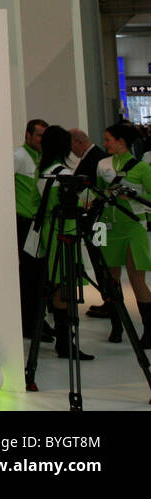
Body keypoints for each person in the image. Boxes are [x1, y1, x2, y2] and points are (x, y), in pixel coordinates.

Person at [27, 125, 95, 360]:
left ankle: (63, 341)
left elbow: (36, 203)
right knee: (65, 286)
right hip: (65, 232)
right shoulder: (63, 175)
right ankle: (66, 344)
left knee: (56, 283)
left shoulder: (42, 171)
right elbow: (79, 204)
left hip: (49, 231)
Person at [93, 123, 151, 345]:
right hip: (107, 228)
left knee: (137, 279)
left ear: (121, 141)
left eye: (108, 139)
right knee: (110, 280)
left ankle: (149, 329)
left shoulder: (142, 168)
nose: (105, 143)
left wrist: (134, 196)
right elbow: (95, 193)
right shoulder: (102, 165)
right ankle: (117, 327)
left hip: (133, 228)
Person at [12, 118, 50, 342]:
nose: (41, 140)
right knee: (29, 275)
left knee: (37, 275)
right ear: (27, 135)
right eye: (38, 136)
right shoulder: (18, 157)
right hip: (23, 222)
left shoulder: (39, 158)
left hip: (36, 223)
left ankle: (37, 320)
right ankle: (29, 323)